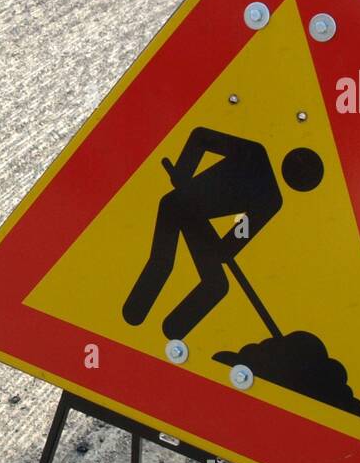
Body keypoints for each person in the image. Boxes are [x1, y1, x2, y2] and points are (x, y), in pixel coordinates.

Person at [122, 126, 323, 340]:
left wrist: (224, 248)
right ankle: (135, 313)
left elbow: (243, 228)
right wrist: (183, 172)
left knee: (216, 284)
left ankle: (171, 331)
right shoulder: (254, 155)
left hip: (193, 216)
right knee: (163, 262)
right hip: (179, 203)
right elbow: (201, 138)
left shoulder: (271, 197)